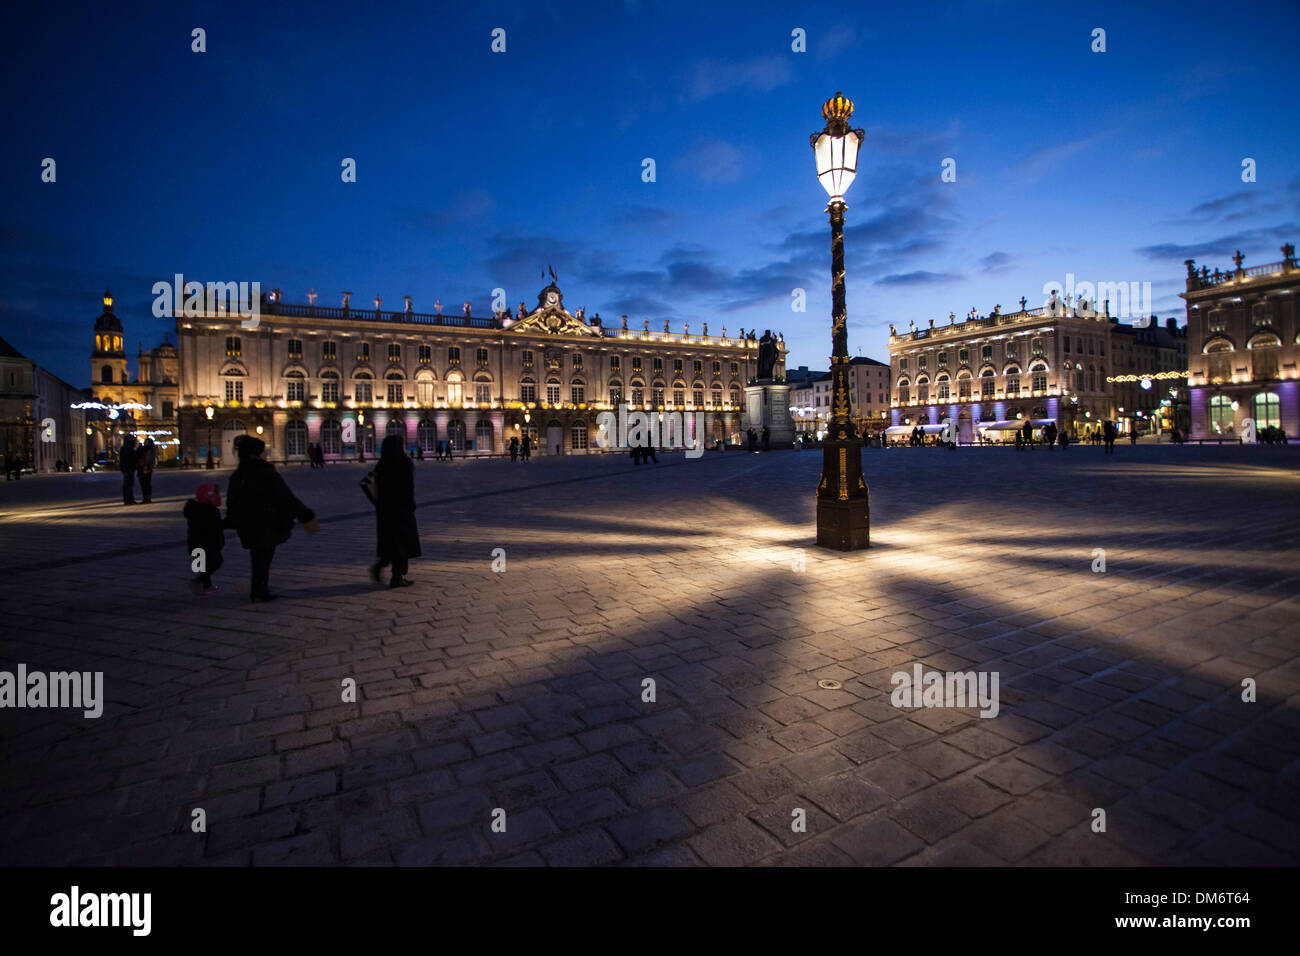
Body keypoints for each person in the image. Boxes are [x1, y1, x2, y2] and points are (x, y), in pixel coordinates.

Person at [225, 435, 316, 602]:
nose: (265, 455)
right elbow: (284, 495)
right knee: (264, 556)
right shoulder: (265, 472)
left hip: (247, 523)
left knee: (257, 555)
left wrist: (231, 519)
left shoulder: (238, 475)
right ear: (257, 454)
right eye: (262, 452)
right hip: (266, 521)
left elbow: (231, 500)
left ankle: (257, 588)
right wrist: (303, 513)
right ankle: (260, 589)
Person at [369, 435, 421, 588]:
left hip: (385, 509)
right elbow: (408, 488)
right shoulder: (404, 463)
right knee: (402, 544)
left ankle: (380, 565)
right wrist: (411, 505)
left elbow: (373, 485)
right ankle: (397, 577)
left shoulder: (381, 464)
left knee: (389, 541)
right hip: (401, 509)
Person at [184, 482, 226, 595]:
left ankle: (205, 586)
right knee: (216, 562)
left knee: (203, 566)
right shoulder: (206, 511)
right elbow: (215, 525)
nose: (219, 497)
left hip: (197, 544)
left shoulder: (199, 509)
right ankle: (198, 581)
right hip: (205, 544)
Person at [120, 435, 140, 504]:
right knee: (129, 484)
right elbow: (134, 457)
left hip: (126, 468)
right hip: (130, 468)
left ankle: (127, 499)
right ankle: (129, 499)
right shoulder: (130, 449)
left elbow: (122, 460)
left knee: (127, 485)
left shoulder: (123, 449)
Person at [137, 436, 158, 503]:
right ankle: (147, 497)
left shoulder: (147, 450)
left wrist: (145, 466)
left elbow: (147, 459)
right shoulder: (151, 449)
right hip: (147, 468)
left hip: (146, 468)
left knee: (145, 483)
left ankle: (147, 497)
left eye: (146, 442)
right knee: (146, 483)